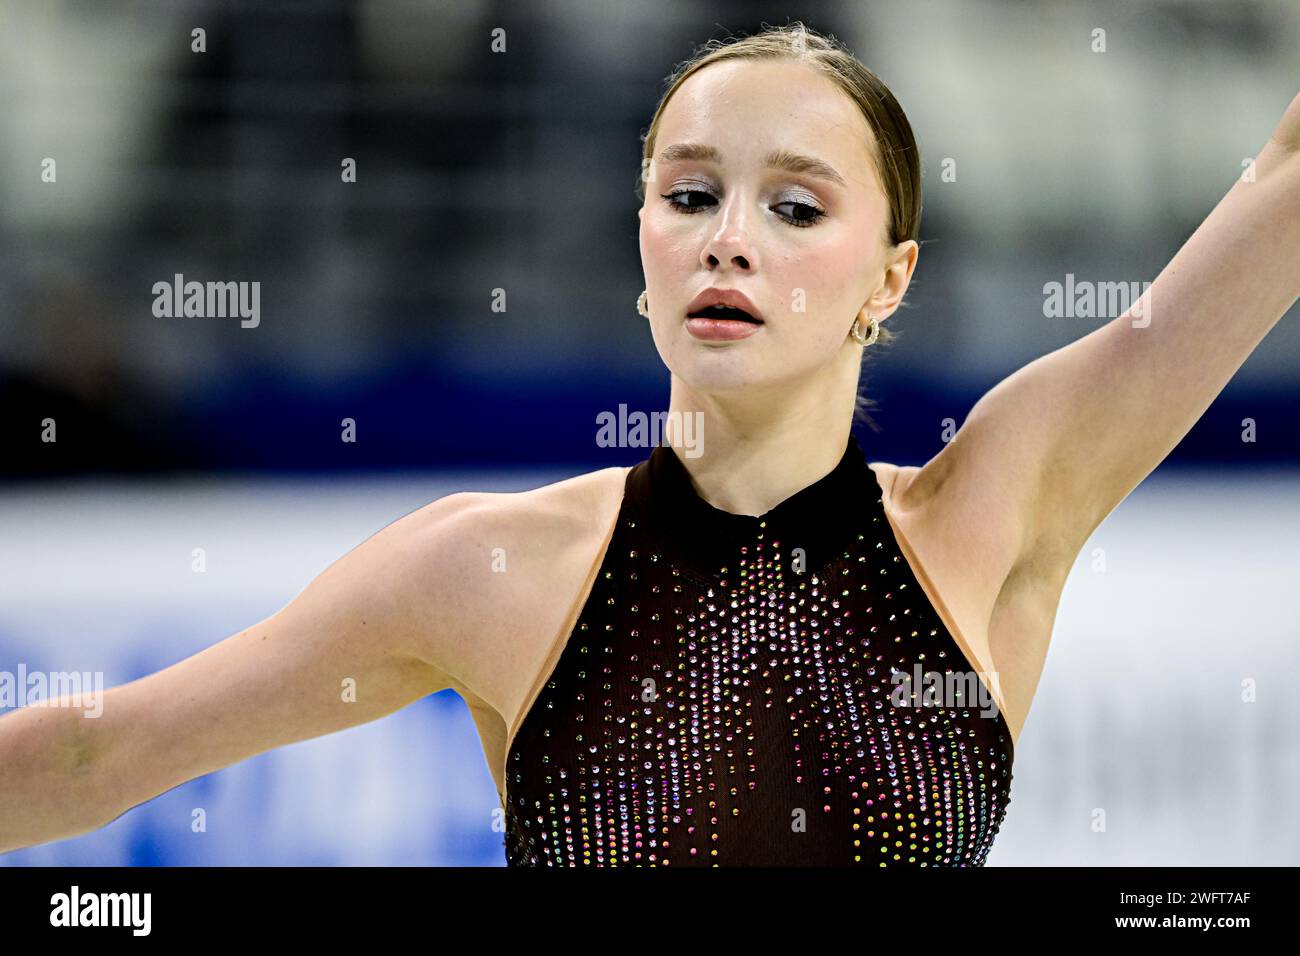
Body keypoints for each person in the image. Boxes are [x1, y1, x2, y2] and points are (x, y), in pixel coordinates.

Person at [2, 23, 1297, 866]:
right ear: (643, 247)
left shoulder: (990, 512)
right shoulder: (494, 569)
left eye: (794, 205)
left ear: (889, 280)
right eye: (689, 193)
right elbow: (96, 753)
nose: (727, 236)